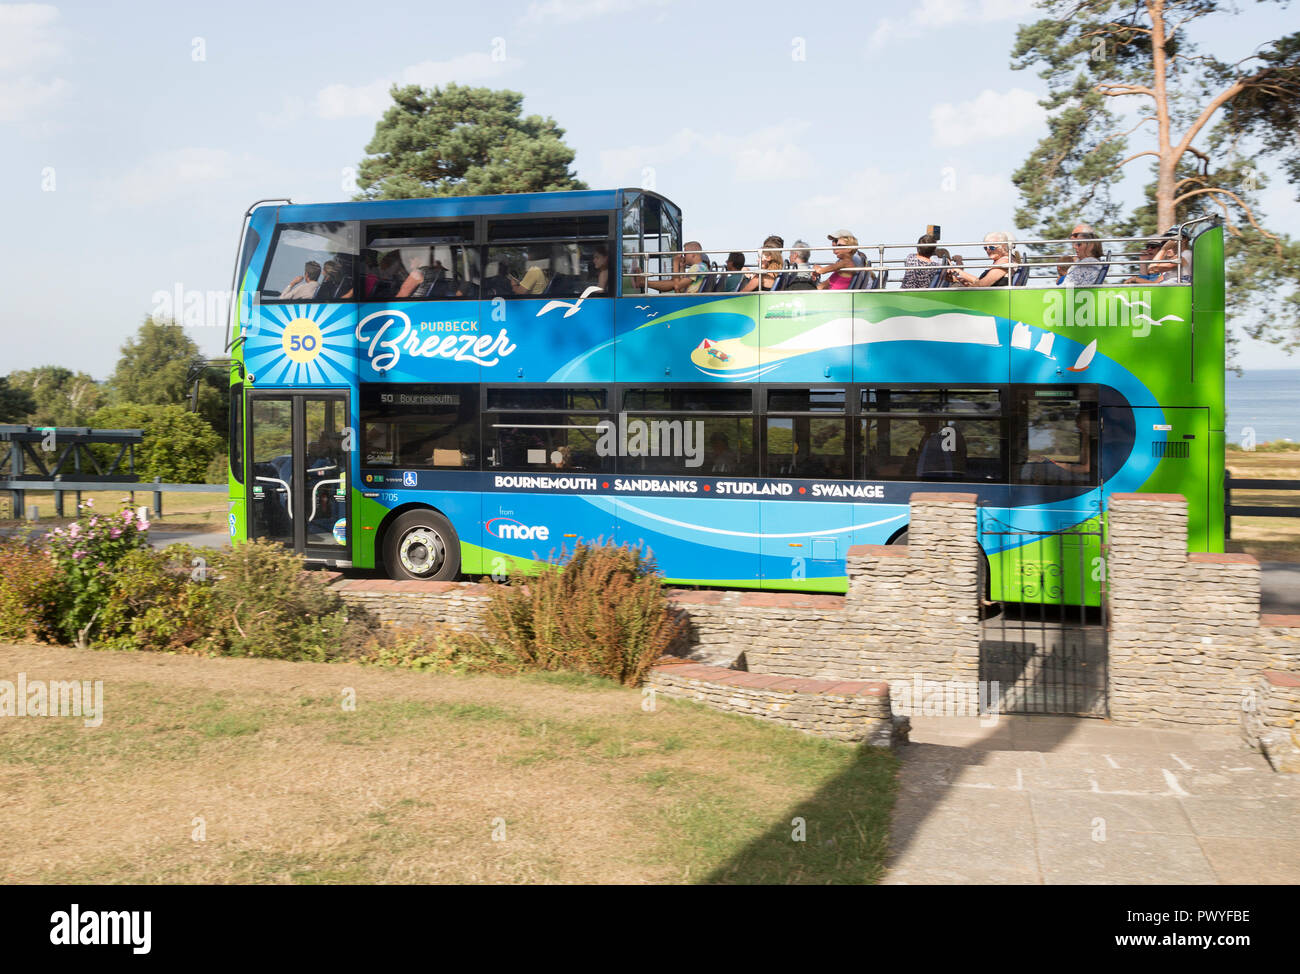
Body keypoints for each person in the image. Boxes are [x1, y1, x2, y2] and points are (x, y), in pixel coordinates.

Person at [949, 232, 1013, 287]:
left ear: (1003, 246)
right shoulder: (999, 261)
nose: (988, 250)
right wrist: (961, 275)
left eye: (992, 247)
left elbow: (983, 284)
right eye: (985, 248)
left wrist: (966, 287)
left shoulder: (1004, 261)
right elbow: (980, 281)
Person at [644, 241, 709, 293]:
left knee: (673, 283)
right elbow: (682, 288)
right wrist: (682, 267)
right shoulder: (703, 266)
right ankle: (644, 283)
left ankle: (644, 283)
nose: (684, 256)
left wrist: (675, 263)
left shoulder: (696, 267)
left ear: (693, 254)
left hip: (688, 301)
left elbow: (677, 286)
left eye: (685, 254)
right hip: (689, 299)